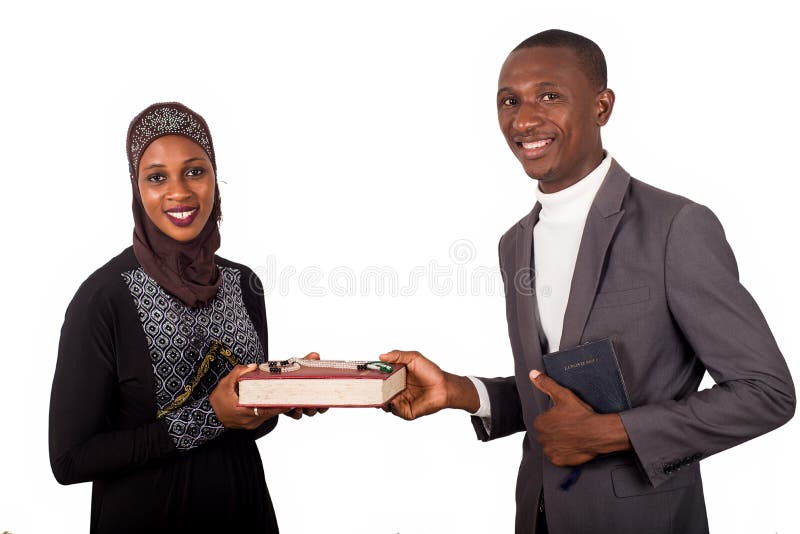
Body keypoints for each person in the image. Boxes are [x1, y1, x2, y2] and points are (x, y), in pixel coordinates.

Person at [380, 30, 795, 534]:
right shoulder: (515, 242)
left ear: (602, 107)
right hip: (539, 517)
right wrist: (459, 391)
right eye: (509, 101)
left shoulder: (675, 226)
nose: (524, 119)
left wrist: (611, 433)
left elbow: (765, 392)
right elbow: (558, 393)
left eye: (549, 95)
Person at [49, 102, 319, 534]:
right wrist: (209, 417)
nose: (179, 192)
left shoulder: (242, 284)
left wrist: (273, 400)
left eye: (195, 171)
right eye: (157, 177)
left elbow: (244, 432)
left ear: (215, 178)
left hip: (245, 513)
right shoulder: (103, 298)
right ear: (137, 189)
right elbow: (69, 459)